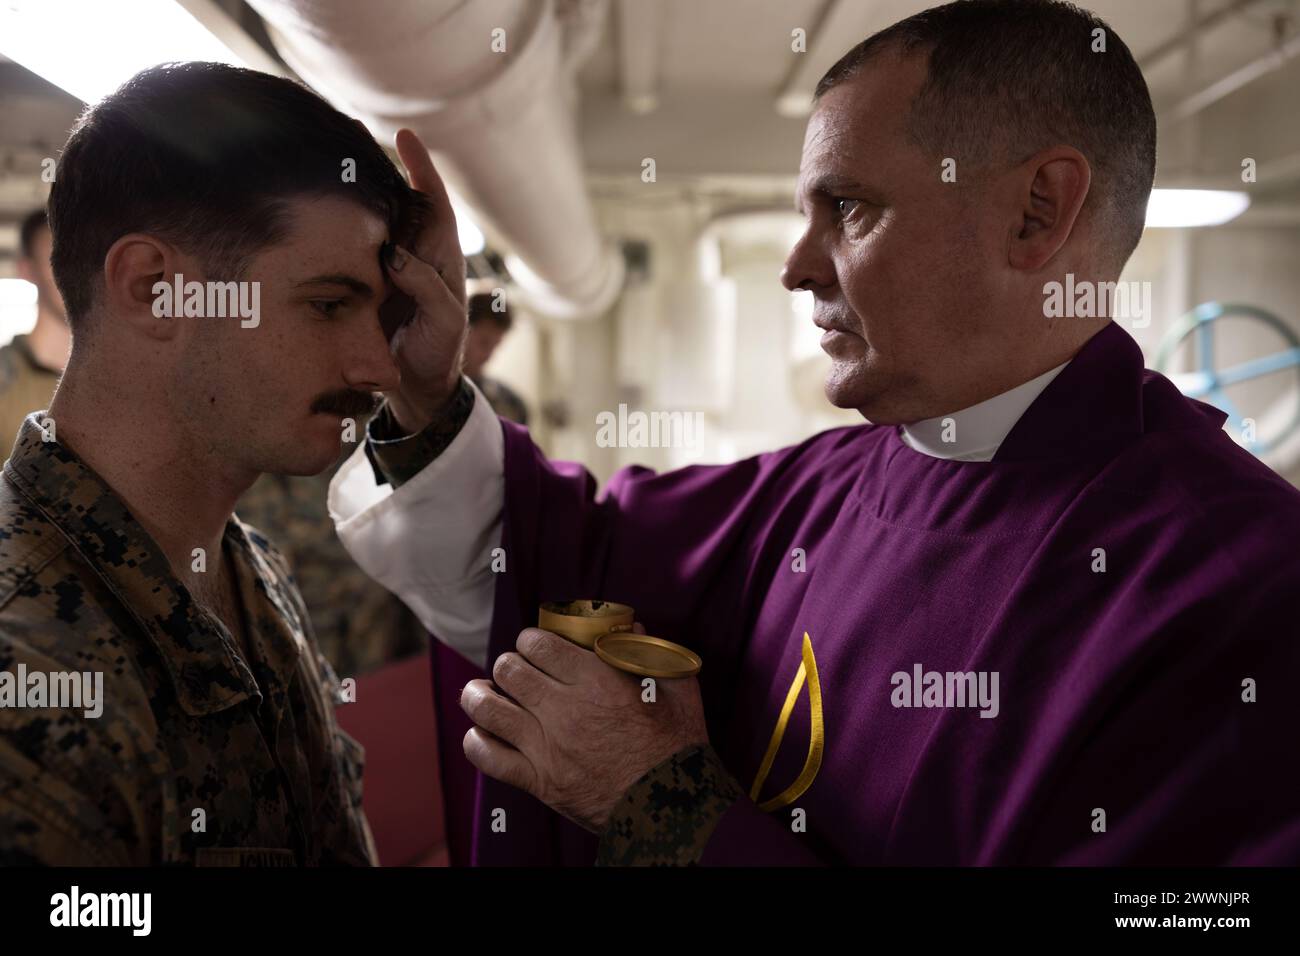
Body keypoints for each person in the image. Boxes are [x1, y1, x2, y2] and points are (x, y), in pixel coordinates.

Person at [330, 0, 1300, 866]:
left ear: (1036, 212)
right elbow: (546, 555)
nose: (795, 267)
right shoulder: (818, 484)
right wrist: (427, 391)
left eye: (849, 208)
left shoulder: (1236, 588)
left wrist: (665, 810)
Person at [0, 62, 436, 865]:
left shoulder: (248, 568)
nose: (380, 367)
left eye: (385, 314)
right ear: (156, 288)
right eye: (329, 305)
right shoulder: (22, 668)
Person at [0, 210, 69, 447]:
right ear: (27, 271)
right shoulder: (5, 380)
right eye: (58, 259)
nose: (74, 275)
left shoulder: (124, 374)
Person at [462, 290, 528, 425]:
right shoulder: (433, 392)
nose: (488, 355)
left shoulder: (511, 404)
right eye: (484, 342)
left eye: (495, 345)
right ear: (462, 332)